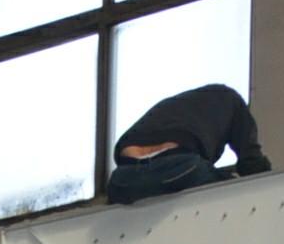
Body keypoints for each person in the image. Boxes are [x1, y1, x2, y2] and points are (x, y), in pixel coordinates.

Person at [108, 83, 273, 205]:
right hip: (178, 168)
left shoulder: (174, 107)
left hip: (123, 180)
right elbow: (251, 162)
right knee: (231, 189)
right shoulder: (233, 100)